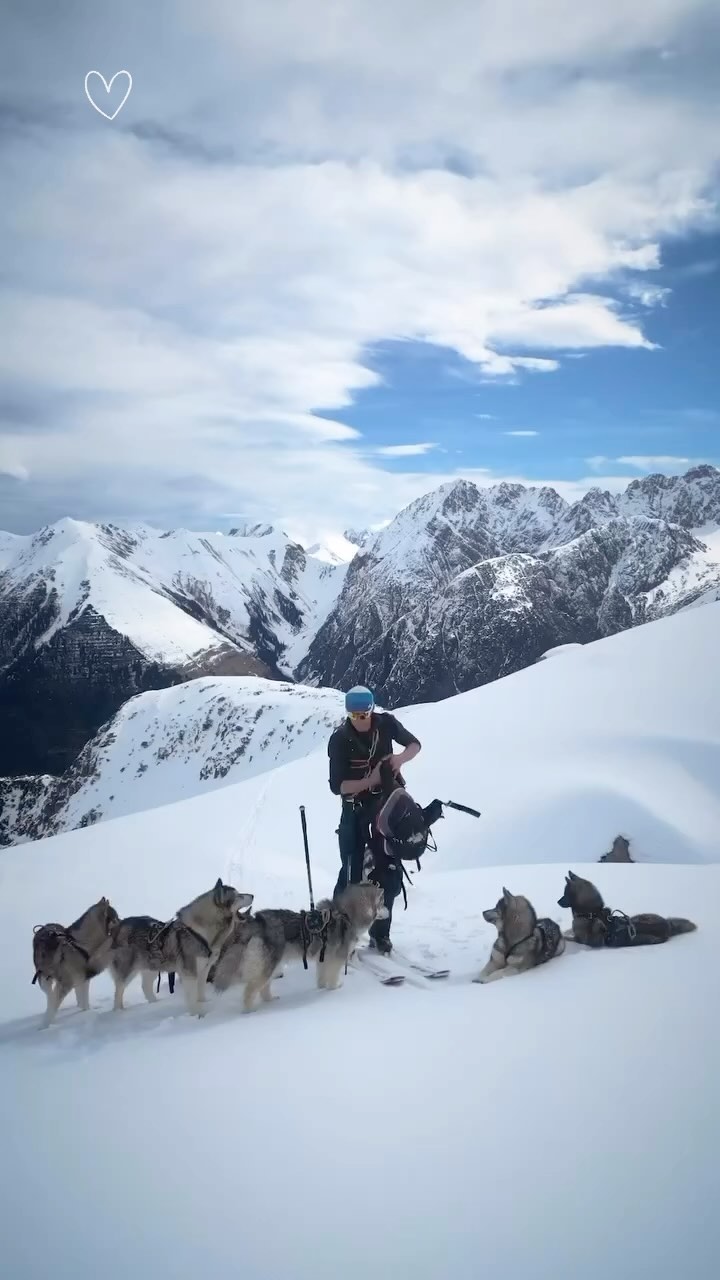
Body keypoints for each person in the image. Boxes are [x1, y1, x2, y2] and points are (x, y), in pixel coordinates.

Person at [327, 685, 421, 954]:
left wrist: (400, 759)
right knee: (350, 872)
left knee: (388, 871)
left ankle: (381, 934)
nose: (360, 719)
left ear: (371, 709)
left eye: (364, 713)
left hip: (384, 805)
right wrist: (371, 780)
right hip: (355, 810)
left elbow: (414, 744)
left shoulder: (387, 724)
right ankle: (337, 931)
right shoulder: (340, 739)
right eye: (354, 715)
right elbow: (338, 786)